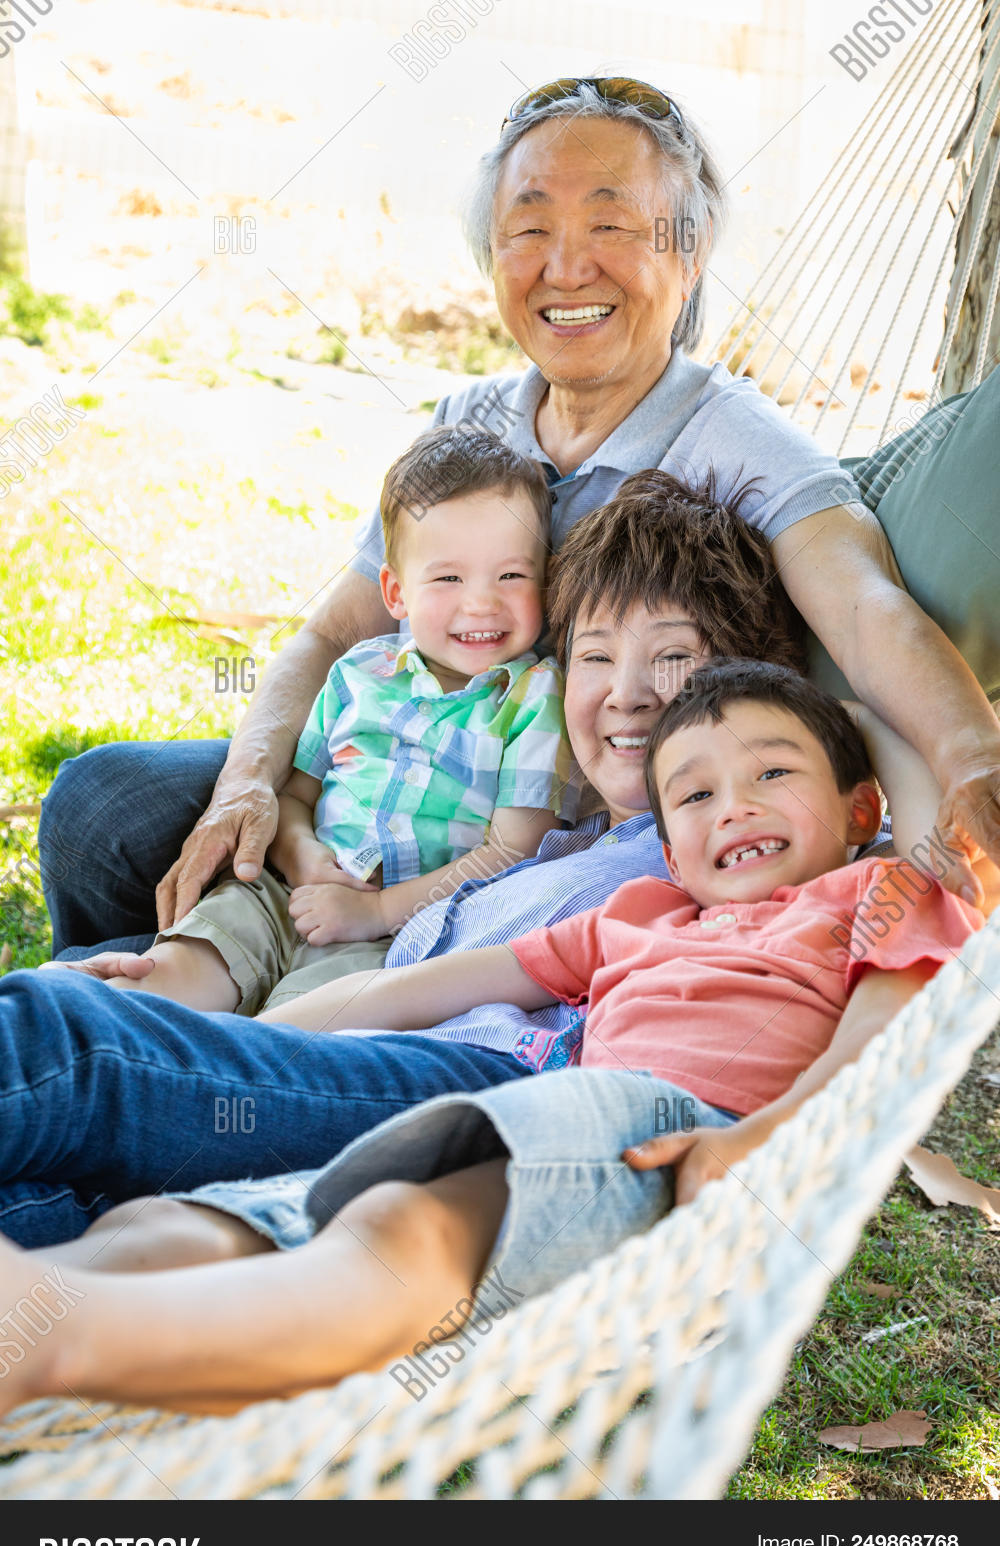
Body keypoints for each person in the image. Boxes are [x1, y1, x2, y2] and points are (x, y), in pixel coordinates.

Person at [38, 77, 1000, 958]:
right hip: (396, 775)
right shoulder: (470, 422)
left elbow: (867, 608)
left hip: (542, 836)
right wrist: (253, 780)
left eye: (612, 224)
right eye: (528, 229)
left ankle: (163, 1061)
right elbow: (337, 629)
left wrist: (972, 758)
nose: (566, 268)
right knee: (100, 807)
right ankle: (151, 1038)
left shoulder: (742, 444)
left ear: (690, 249)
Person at [1, 660, 979, 1417]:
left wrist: (777, 1138)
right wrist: (185, 1038)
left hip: (673, 1135)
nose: (737, 805)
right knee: (180, 1199)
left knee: (399, 1234)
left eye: (773, 772)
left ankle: (71, 1336)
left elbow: (886, 1036)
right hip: (534, 1096)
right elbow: (409, 992)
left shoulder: (876, 889)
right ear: (671, 852)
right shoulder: (641, 914)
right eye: (694, 795)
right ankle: (50, 1303)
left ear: (860, 811)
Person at [3, 473, 825, 1249]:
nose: (629, 693)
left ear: (754, 683)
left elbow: (857, 791)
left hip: (458, 1088)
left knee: (65, 1039)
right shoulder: (567, 839)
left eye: (674, 657)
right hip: (350, 1028)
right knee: (71, 1003)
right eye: (597, 656)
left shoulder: (715, 861)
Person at [100, 424, 578, 1015]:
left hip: (398, 939)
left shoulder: (532, 698)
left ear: (545, 581)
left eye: (511, 575)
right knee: (162, 986)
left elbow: (514, 850)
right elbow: (298, 793)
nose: (480, 602)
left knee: (284, 1044)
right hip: (277, 898)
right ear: (395, 593)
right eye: (448, 578)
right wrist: (299, 855)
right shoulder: (360, 672)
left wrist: (375, 911)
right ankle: (86, 1038)